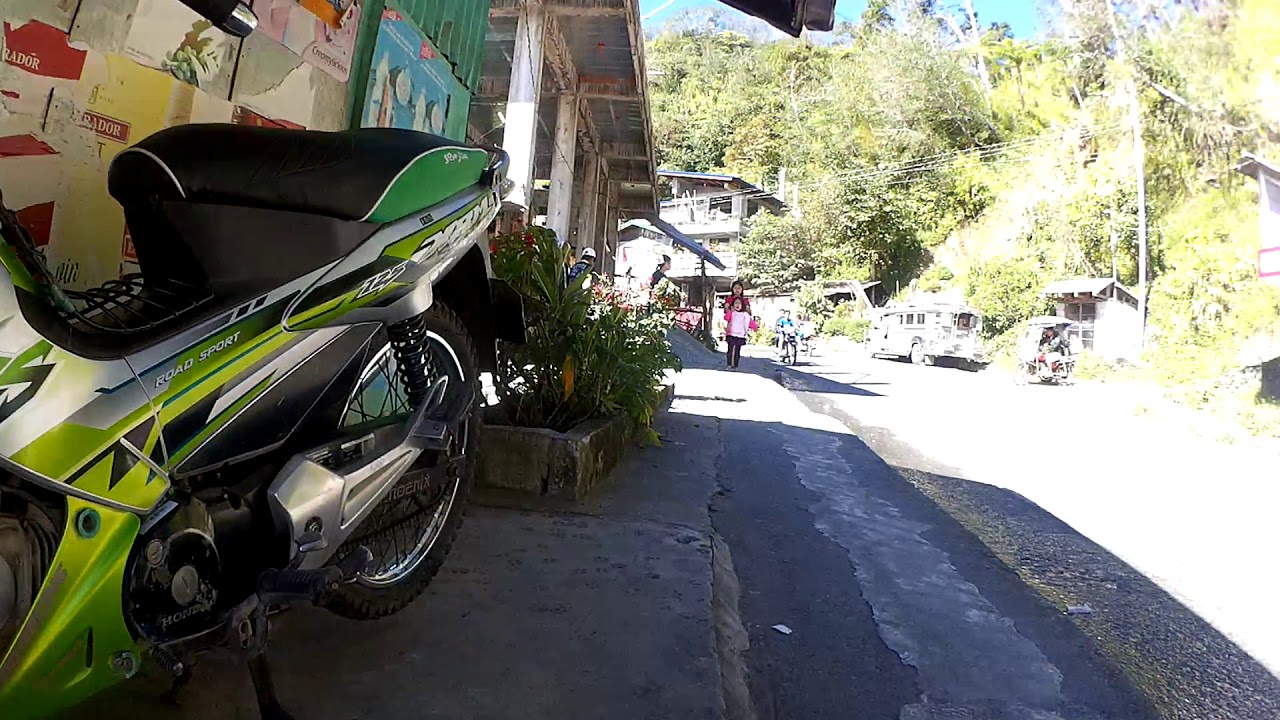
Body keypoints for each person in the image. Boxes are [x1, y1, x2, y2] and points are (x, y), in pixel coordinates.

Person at [725, 297, 751, 369]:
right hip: (731, 334)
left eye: (739, 303)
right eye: (736, 303)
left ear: (742, 305)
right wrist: (729, 311)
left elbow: (746, 324)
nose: (737, 305)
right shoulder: (732, 313)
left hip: (740, 335)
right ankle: (729, 364)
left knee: (737, 351)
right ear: (733, 305)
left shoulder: (745, 314)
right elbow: (726, 318)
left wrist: (745, 333)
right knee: (730, 350)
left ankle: (735, 365)